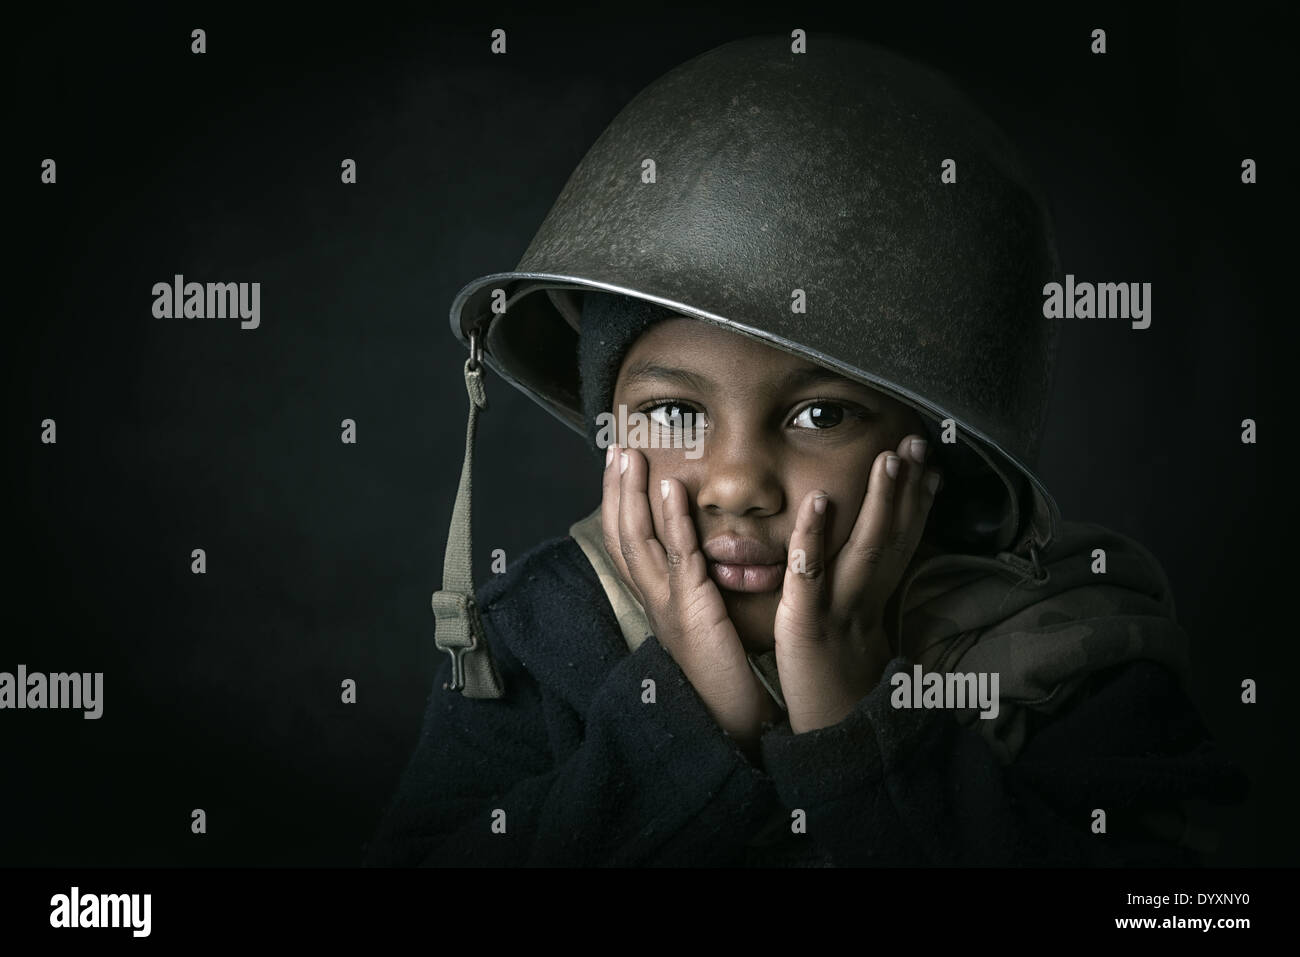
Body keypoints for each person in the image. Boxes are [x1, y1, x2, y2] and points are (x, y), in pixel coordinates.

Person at [362, 34, 1247, 866]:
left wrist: (859, 729)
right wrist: (691, 730)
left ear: (935, 448)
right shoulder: (548, 630)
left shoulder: (1074, 658)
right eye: (673, 413)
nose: (739, 483)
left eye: (822, 416)